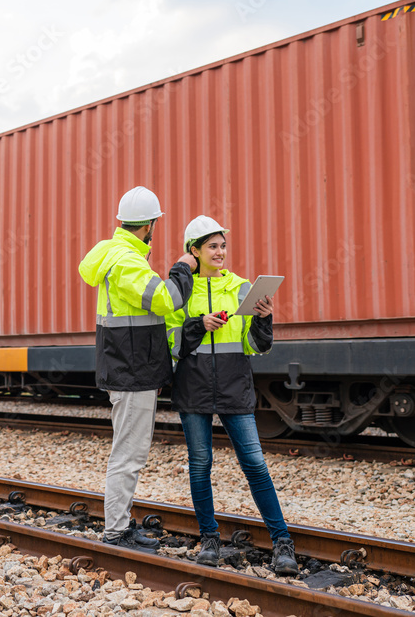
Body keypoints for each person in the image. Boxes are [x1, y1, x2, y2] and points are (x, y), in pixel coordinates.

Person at [165, 215, 298, 575]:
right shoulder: (179, 291)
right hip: (192, 389)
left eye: (223, 245)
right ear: (194, 251)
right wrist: (198, 324)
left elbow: (257, 346)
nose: (220, 251)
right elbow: (170, 345)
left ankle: (282, 542)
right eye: (212, 246)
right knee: (201, 465)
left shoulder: (242, 287)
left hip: (234, 387)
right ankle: (209, 539)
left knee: (254, 464)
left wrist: (264, 319)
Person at [78, 186, 196, 552]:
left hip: (133, 369)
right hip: (131, 373)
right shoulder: (126, 260)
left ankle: (120, 525)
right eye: (156, 224)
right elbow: (166, 299)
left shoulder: (120, 255)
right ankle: (116, 531)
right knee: (128, 455)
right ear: (150, 225)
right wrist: (183, 268)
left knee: (129, 452)